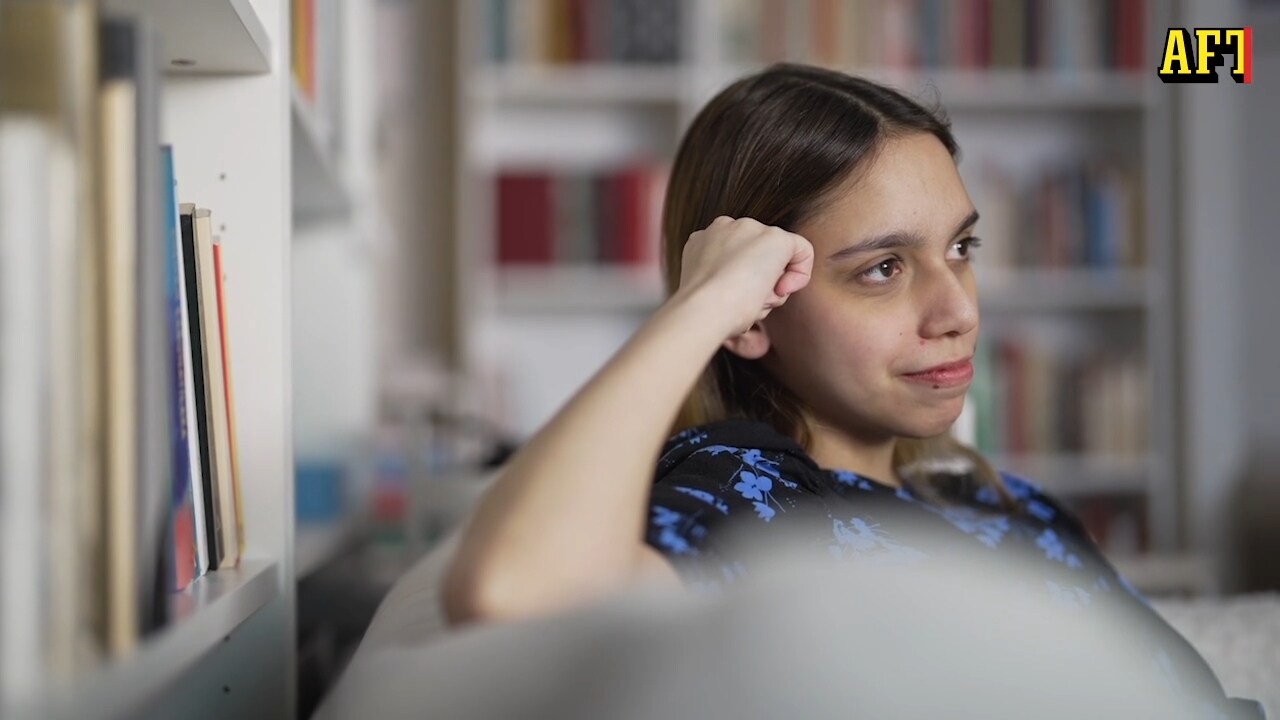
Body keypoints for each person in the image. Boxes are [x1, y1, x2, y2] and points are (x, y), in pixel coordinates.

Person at [440, 63, 1263, 716]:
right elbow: (510, 587)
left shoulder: (1009, 502)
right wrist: (701, 307)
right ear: (757, 306)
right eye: (882, 268)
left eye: (962, 248)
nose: (958, 311)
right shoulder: (752, 497)